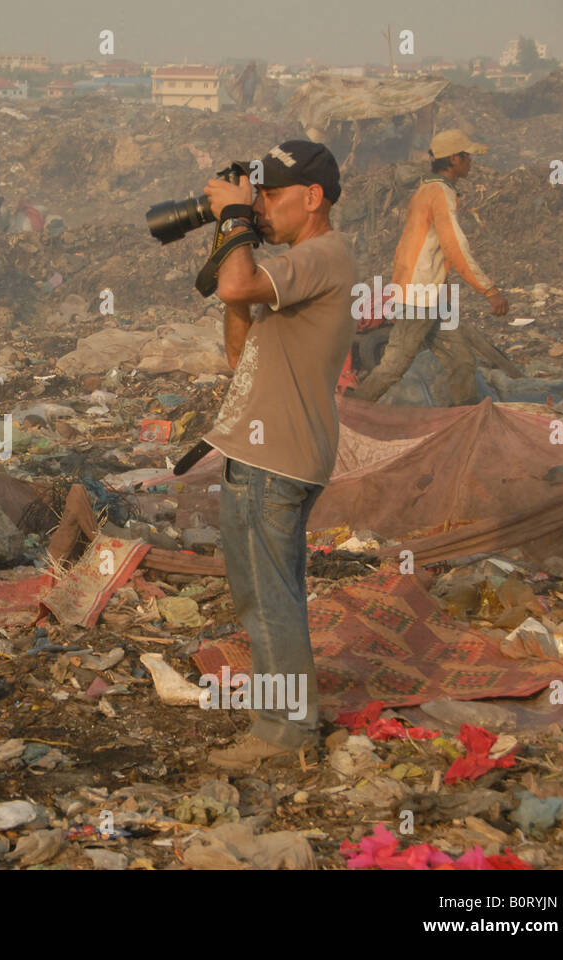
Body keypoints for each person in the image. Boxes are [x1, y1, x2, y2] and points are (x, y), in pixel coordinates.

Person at [197, 140, 357, 770]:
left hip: (277, 459)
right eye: (255, 193)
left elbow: (236, 279)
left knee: (266, 601)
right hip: (270, 452)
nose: (261, 205)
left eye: (271, 194)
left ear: (313, 197)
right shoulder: (300, 266)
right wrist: (236, 238)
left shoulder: (320, 254)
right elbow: (240, 351)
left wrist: (233, 221)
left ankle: (282, 732)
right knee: (270, 595)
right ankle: (290, 717)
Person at [351, 129, 509, 404]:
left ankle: (466, 424)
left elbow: (425, 249)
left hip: (430, 296)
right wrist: (489, 290)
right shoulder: (439, 193)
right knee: (393, 367)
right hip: (419, 296)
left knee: (461, 361)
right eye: (467, 156)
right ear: (454, 159)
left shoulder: (428, 189)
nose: (471, 162)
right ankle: (348, 417)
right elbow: (454, 247)